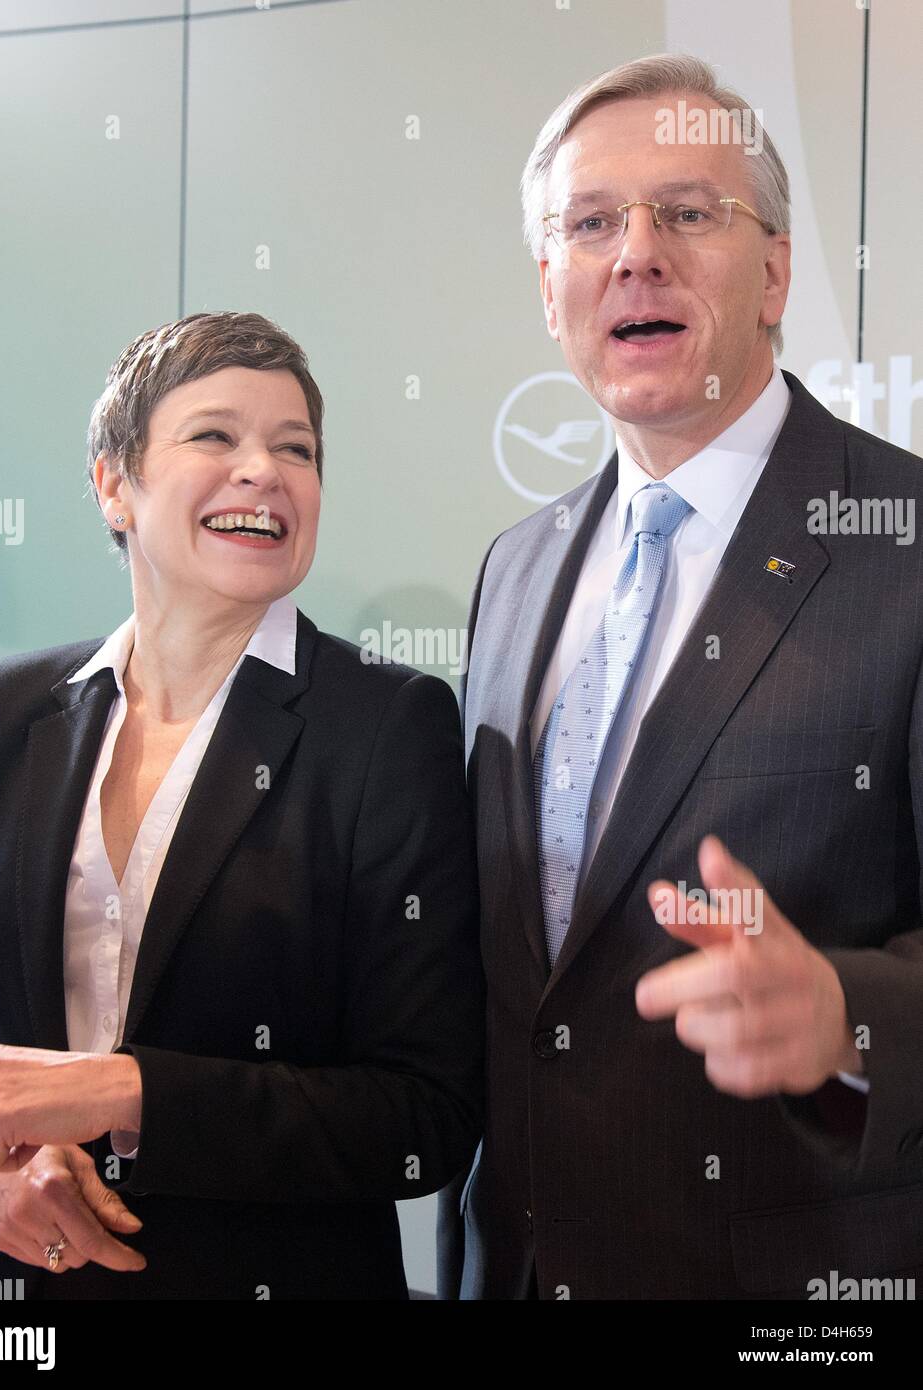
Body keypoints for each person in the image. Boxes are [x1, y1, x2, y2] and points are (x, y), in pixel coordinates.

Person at [438, 52, 923, 1300]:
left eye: (685, 212)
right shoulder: (514, 566)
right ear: (551, 287)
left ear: (773, 272)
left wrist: (843, 1016)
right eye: (589, 224)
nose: (633, 253)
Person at [0, 310, 483, 1300]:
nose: (263, 470)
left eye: (294, 448)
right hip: (5, 1292)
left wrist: (124, 1092)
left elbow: (421, 1114)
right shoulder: (0, 708)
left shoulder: (389, 725)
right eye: (215, 436)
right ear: (113, 483)